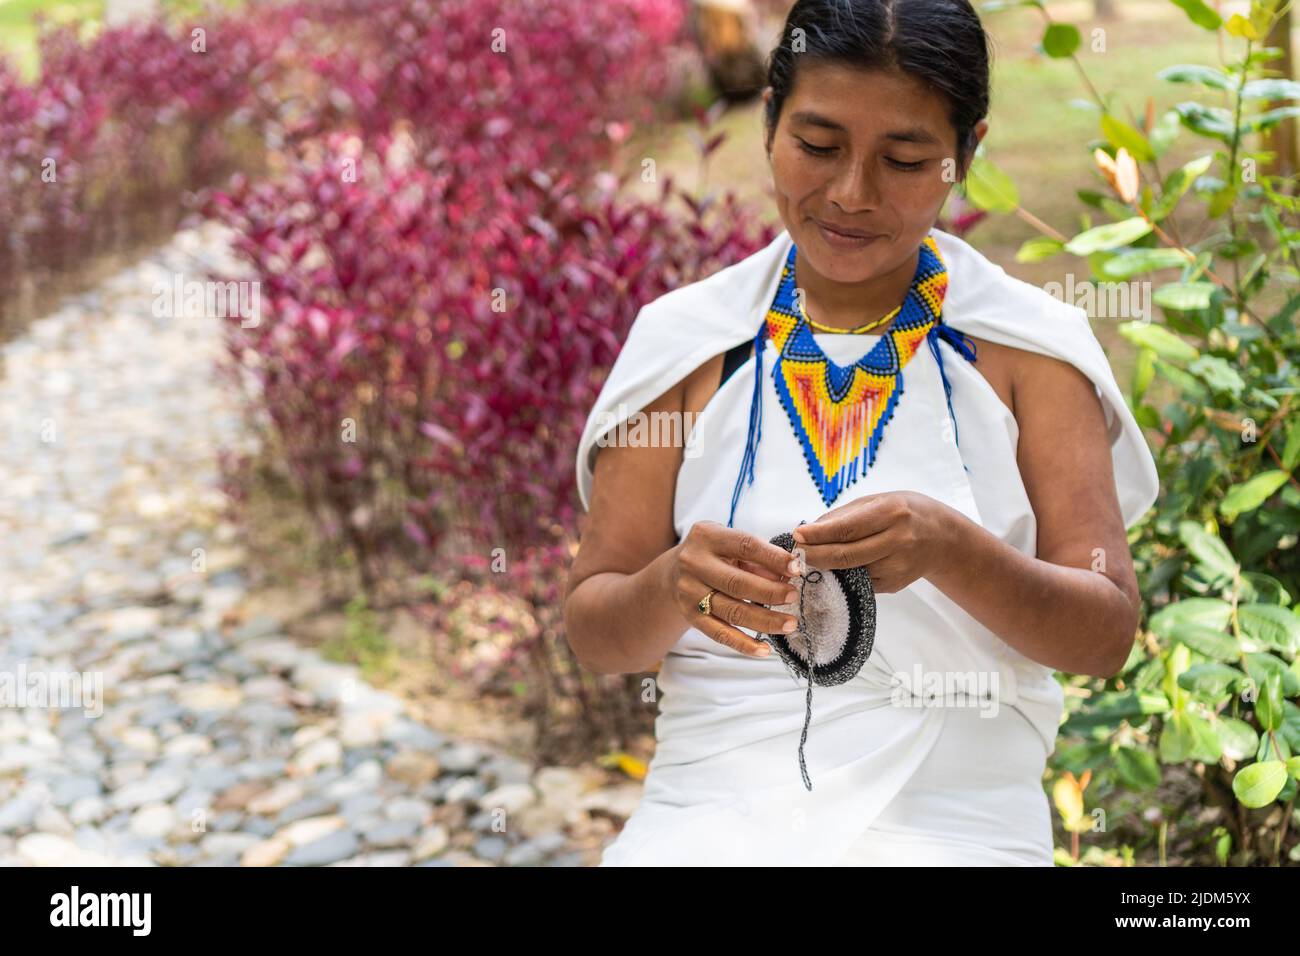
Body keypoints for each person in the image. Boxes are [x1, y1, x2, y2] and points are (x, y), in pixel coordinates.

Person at [562, 0, 1159, 866]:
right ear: (768, 123)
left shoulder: (1031, 352)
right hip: (713, 809)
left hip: (958, 816)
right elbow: (592, 625)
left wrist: (957, 550)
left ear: (967, 153)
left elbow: (1104, 634)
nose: (851, 193)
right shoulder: (687, 344)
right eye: (817, 145)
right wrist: (667, 587)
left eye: (906, 158)